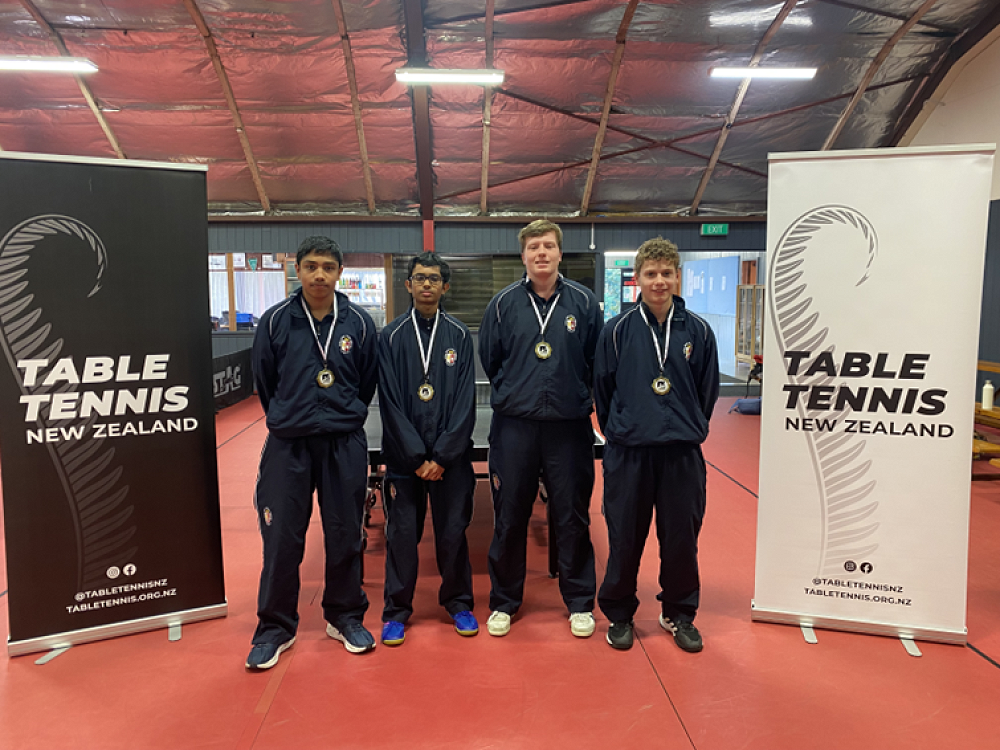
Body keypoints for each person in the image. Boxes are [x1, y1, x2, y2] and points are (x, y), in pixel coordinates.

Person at [245, 236, 378, 670]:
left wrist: (344, 413)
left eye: (327, 267)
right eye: (311, 266)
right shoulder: (275, 321)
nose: (319, 274)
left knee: (344, 535)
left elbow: (366, 382)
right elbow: (265, 382)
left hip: (343, 443)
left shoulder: (358, 322)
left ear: (339, 272)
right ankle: (274, 627)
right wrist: (289, 416)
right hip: (289, 445)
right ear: (297, 271)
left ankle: (345, 616)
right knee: (282, 538)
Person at [594, 237, 719, 652]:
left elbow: (707, 391)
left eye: (667, 273)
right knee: (625, 538)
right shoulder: (616, 331)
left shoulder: (698, 331)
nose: (659, 281)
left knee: (681, 539)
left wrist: (687, 425)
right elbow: (603, 389)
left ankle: (678, 614)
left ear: (678, 277)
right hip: (628, 453)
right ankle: (620, 615)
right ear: (639, 279)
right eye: (651, 274)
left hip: (681, 454)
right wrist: (626, 427)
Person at [478, 219, 602, 638]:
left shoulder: (584, 303)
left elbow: (592, 360)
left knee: (572, 517)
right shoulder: (502, 304)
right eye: (533, 247)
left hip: (568, 428)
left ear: (560, 253)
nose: (541, 253)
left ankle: (580, 602)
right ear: (524, 255)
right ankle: (504, 601)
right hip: (516, 427)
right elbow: (492, 360)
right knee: (510, 516)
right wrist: (520, 393)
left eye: (548, 245)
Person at [377, 252, 478, 645]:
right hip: (405, 461)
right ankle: (397, 611)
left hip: (451, 461)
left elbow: (466, 400)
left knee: (453, 532)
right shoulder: (390, 336)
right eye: (419, 278)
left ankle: (459, 603)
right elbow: (389, 400)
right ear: (408, 284)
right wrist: (418, 457)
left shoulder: (458, 335)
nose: (426, 285)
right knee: (402, 535)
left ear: (445, 286)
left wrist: (443, 456)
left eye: (434, 279)